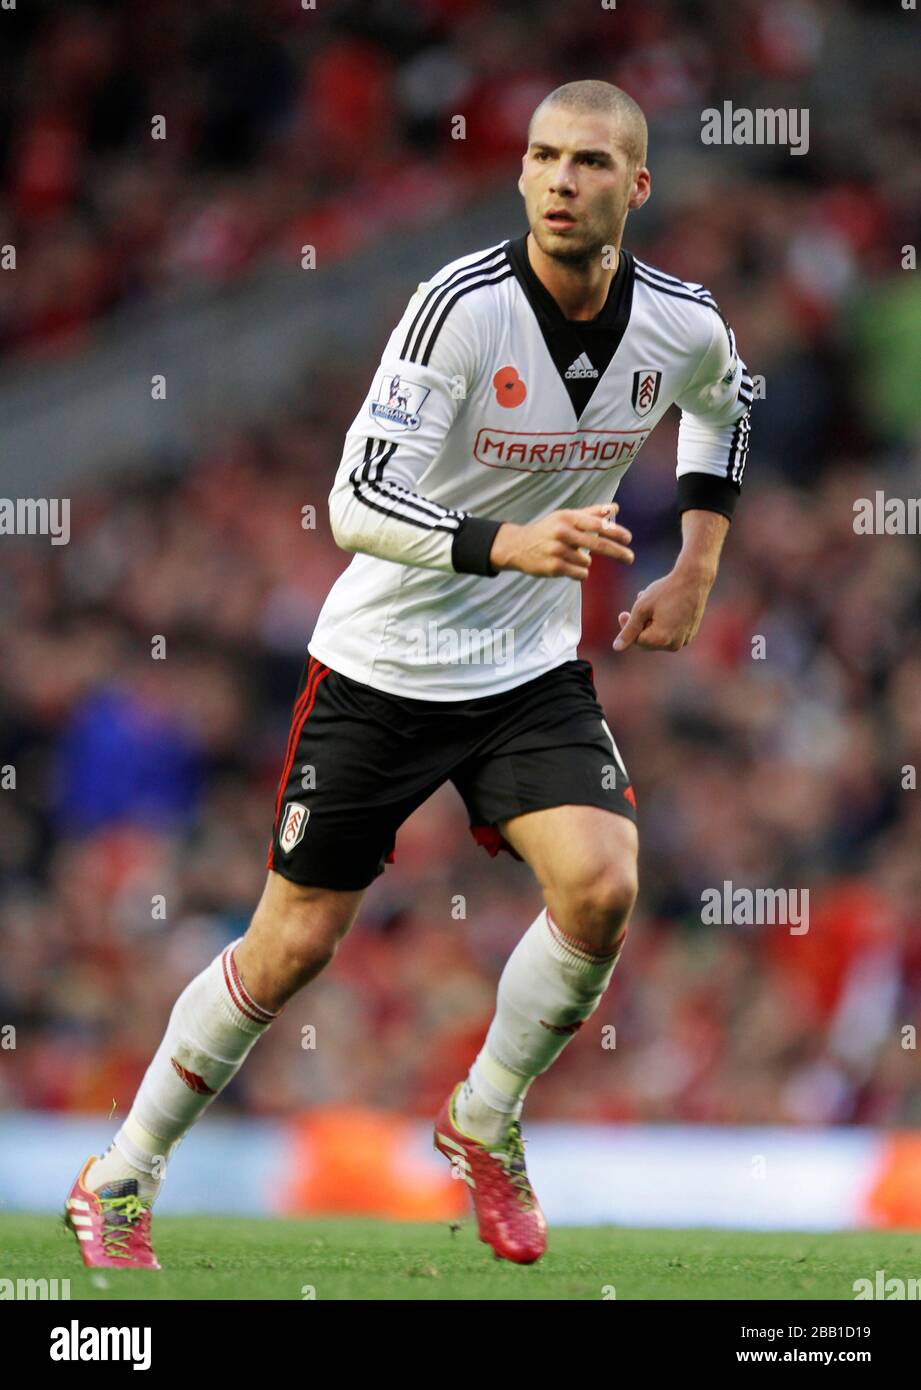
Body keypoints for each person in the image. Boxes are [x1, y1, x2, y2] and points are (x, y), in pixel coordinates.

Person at [65, 79, 752, 1269]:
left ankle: (483, 1117)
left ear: (637, 186)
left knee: (600, 886)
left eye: (589, 162)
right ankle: (123, 1172)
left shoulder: (681, 322)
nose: (558, 181)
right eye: (541, 157)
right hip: (381, 668)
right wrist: (509, 542)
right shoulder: (459, 308)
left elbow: (724, 409)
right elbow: (353, 501)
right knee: (292, 946)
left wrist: (694, 566)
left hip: (527, 670)